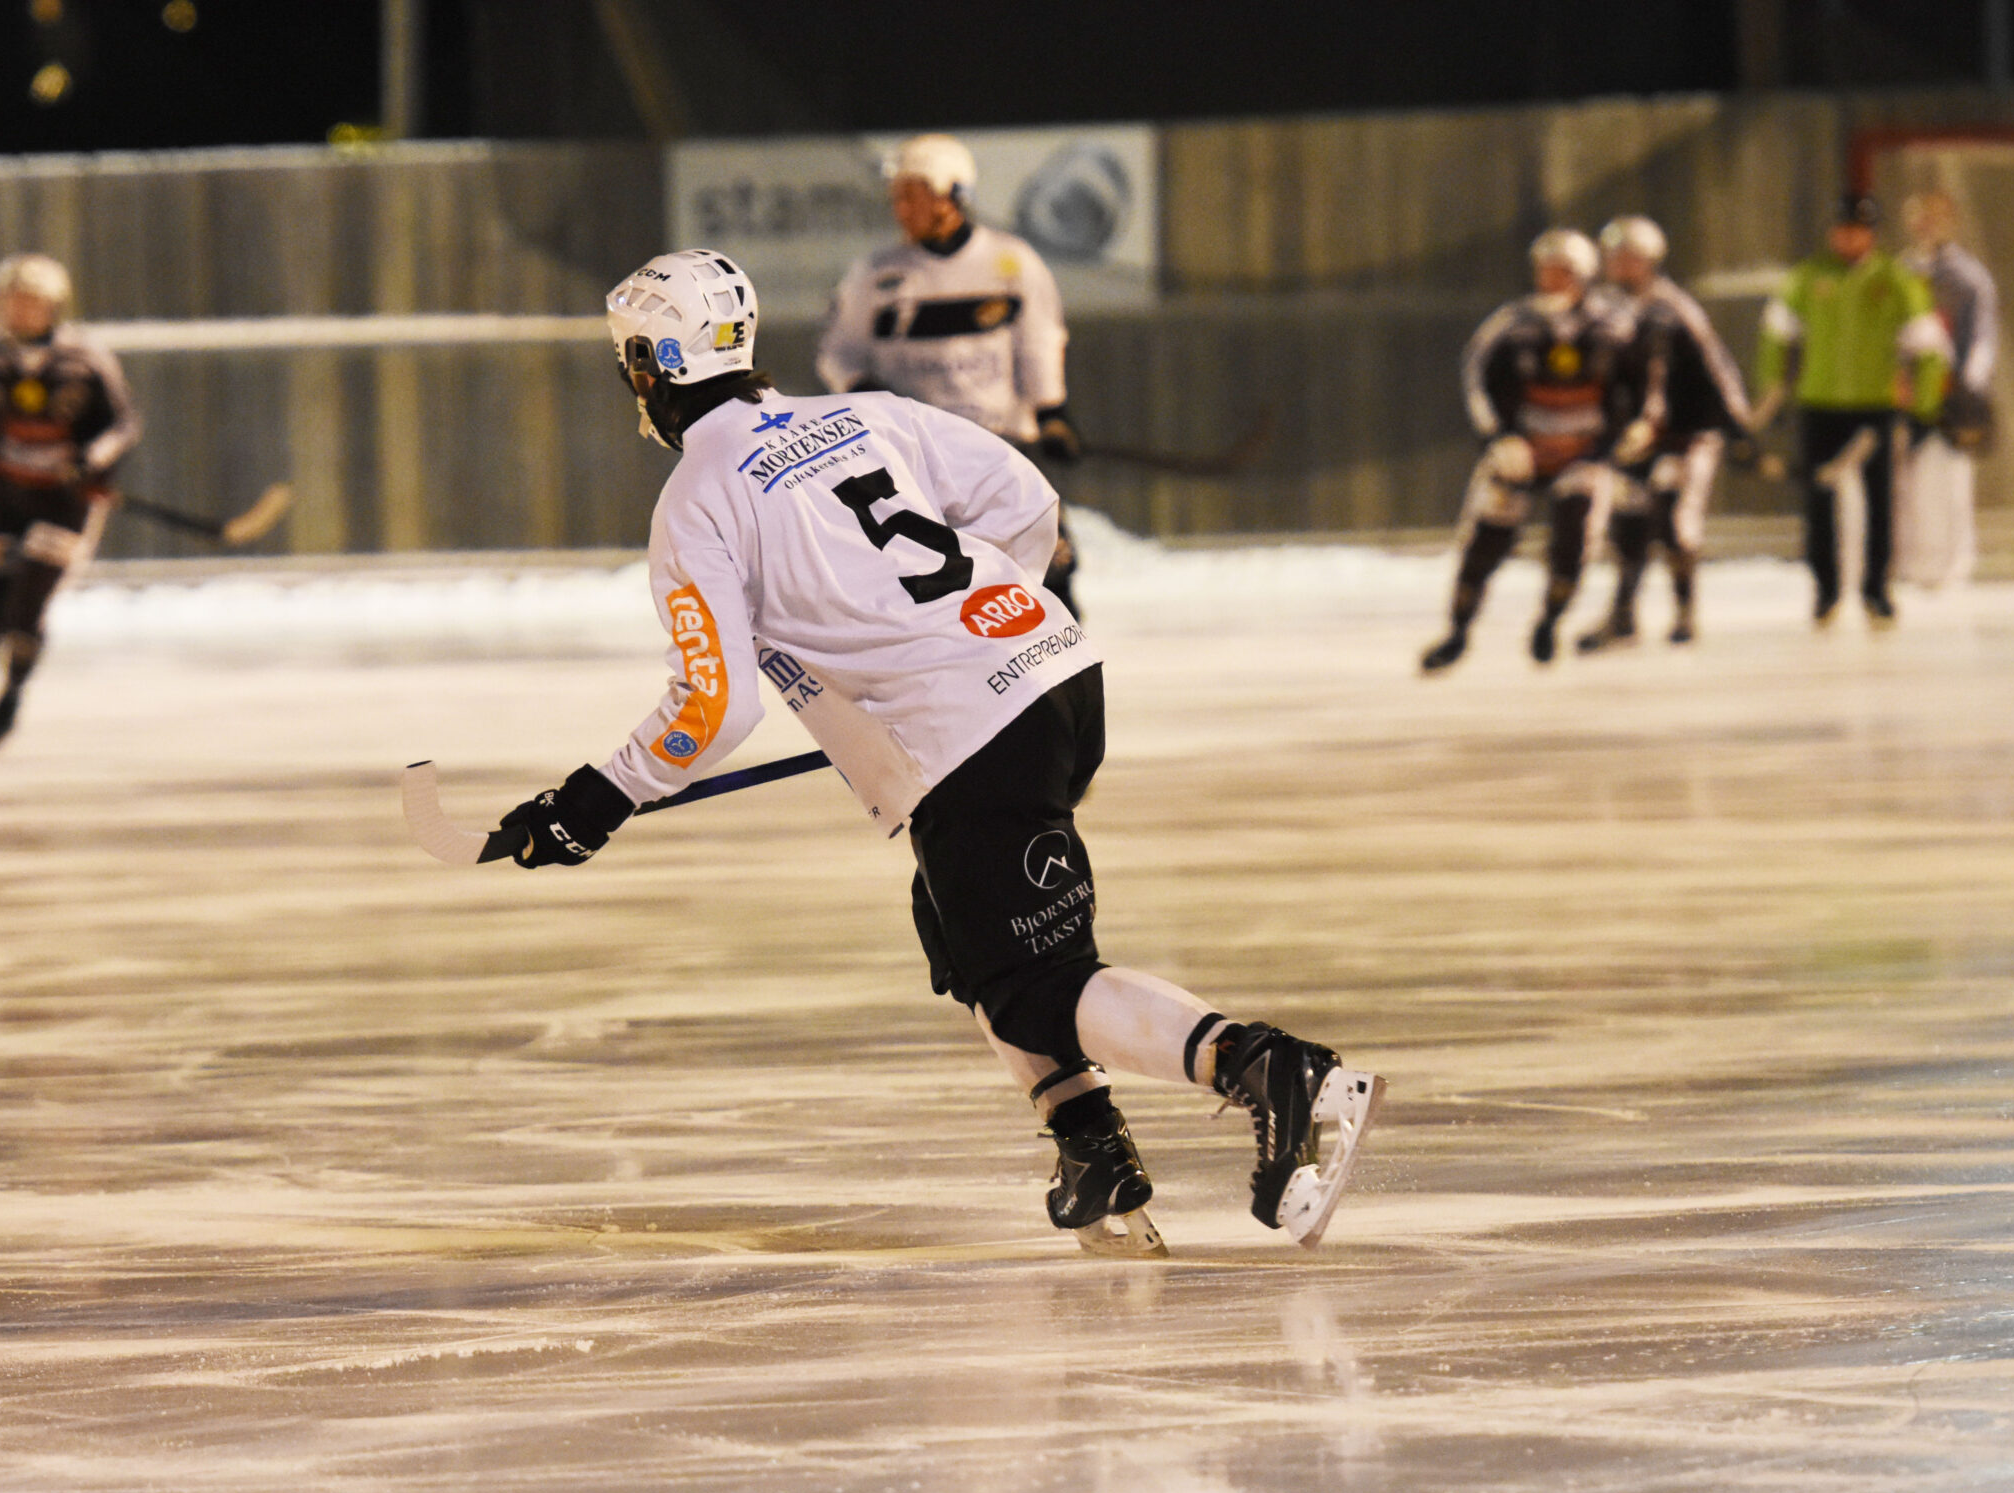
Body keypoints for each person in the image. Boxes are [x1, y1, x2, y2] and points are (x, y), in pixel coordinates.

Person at [486, 248, 1384, 1258]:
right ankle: (1089, 1146)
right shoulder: (864, 415)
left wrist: (593, 800)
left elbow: (716, 702)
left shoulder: (697, 499)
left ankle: (1267, 1069)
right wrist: (980, 632)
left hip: (973, 731)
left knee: (1037, 982)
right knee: (964, 930)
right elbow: (1028, 505)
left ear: (651, 365)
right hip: (1054, 678)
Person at [816, 134, 1088, 618]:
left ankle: (1062, 664)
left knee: (1050, 564)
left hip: (1002, 445)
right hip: (919, 459)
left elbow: (1039, 340)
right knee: (940, 578)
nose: (899, 207)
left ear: (951, 193)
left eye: (911, 194)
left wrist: (1051, 413)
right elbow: (838, 353)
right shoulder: (876, 274)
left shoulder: (1011, 262)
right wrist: (865, 394)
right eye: (896, 195)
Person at [0, 254, 138, 752]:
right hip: (3, 497)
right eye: (10, 300)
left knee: (26, 603)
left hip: (64, 501)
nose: (19, 310)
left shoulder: (85, 359)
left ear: (52, 306)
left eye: (31, 301)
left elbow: (123, 425)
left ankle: (11, 696)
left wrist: (91, 460)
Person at [1421, 229, 1658, 674]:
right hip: (1522, 451)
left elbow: (1645, 378)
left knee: (1575, 536)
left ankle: (1550, 620)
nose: (1553, 280)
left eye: (1564, 271)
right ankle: (1458, 630)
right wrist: (1497, 437)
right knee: (1486, 540)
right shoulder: (1512, 325)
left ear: (1585, 275)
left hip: (1583, 452)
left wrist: (1641, 422)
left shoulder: (1613, 326)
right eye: (1545, 270)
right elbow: (1476, 378)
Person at [1752, 193, 1947, 629]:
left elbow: (1928, 346)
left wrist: (1923, 408)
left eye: (1856, 230)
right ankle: (1826, 591)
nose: (1847, 238)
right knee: (1819, 501)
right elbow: (1776, 334)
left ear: (1871, 234)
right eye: (1841, 230)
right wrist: (1774, 391)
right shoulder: (1808, 277)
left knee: (1881, 503)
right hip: (1820, 404)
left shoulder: (1896, 281)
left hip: (1874, 406)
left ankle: (1876, 590)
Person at [1575, 216, 1753, 651]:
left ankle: (1684, 610)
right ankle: (1623, 615)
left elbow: (1716, 368)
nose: (1620, 265)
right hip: (1633, 440)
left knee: (1676, 521)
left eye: (1629, 257)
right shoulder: (1599, 310)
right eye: (1614, 256)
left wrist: (1737, 427)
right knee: (1630, 523)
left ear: (1650, 259)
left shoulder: (1675, 310)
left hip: (1683, 436)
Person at [1896, 190, 2000, 589]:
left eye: (1934, 217)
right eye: (1919, 216)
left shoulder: (1967, 276)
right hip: (1910, 392)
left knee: (1953, 480)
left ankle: (1957, 562)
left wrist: (1971, 382)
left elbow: (1983, 334)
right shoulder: (1902, 271)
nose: (1926, 224)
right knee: (1905, 482)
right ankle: (1907, 560)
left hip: (1951, 391)